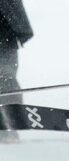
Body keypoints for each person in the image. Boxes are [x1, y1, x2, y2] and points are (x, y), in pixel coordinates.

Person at [0, 0, 32, 144]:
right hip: (6, 35)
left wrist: (22, 29)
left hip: (4, 36)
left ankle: (9, 127)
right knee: (5, 79)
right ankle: (9, 128)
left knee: (5, 79)